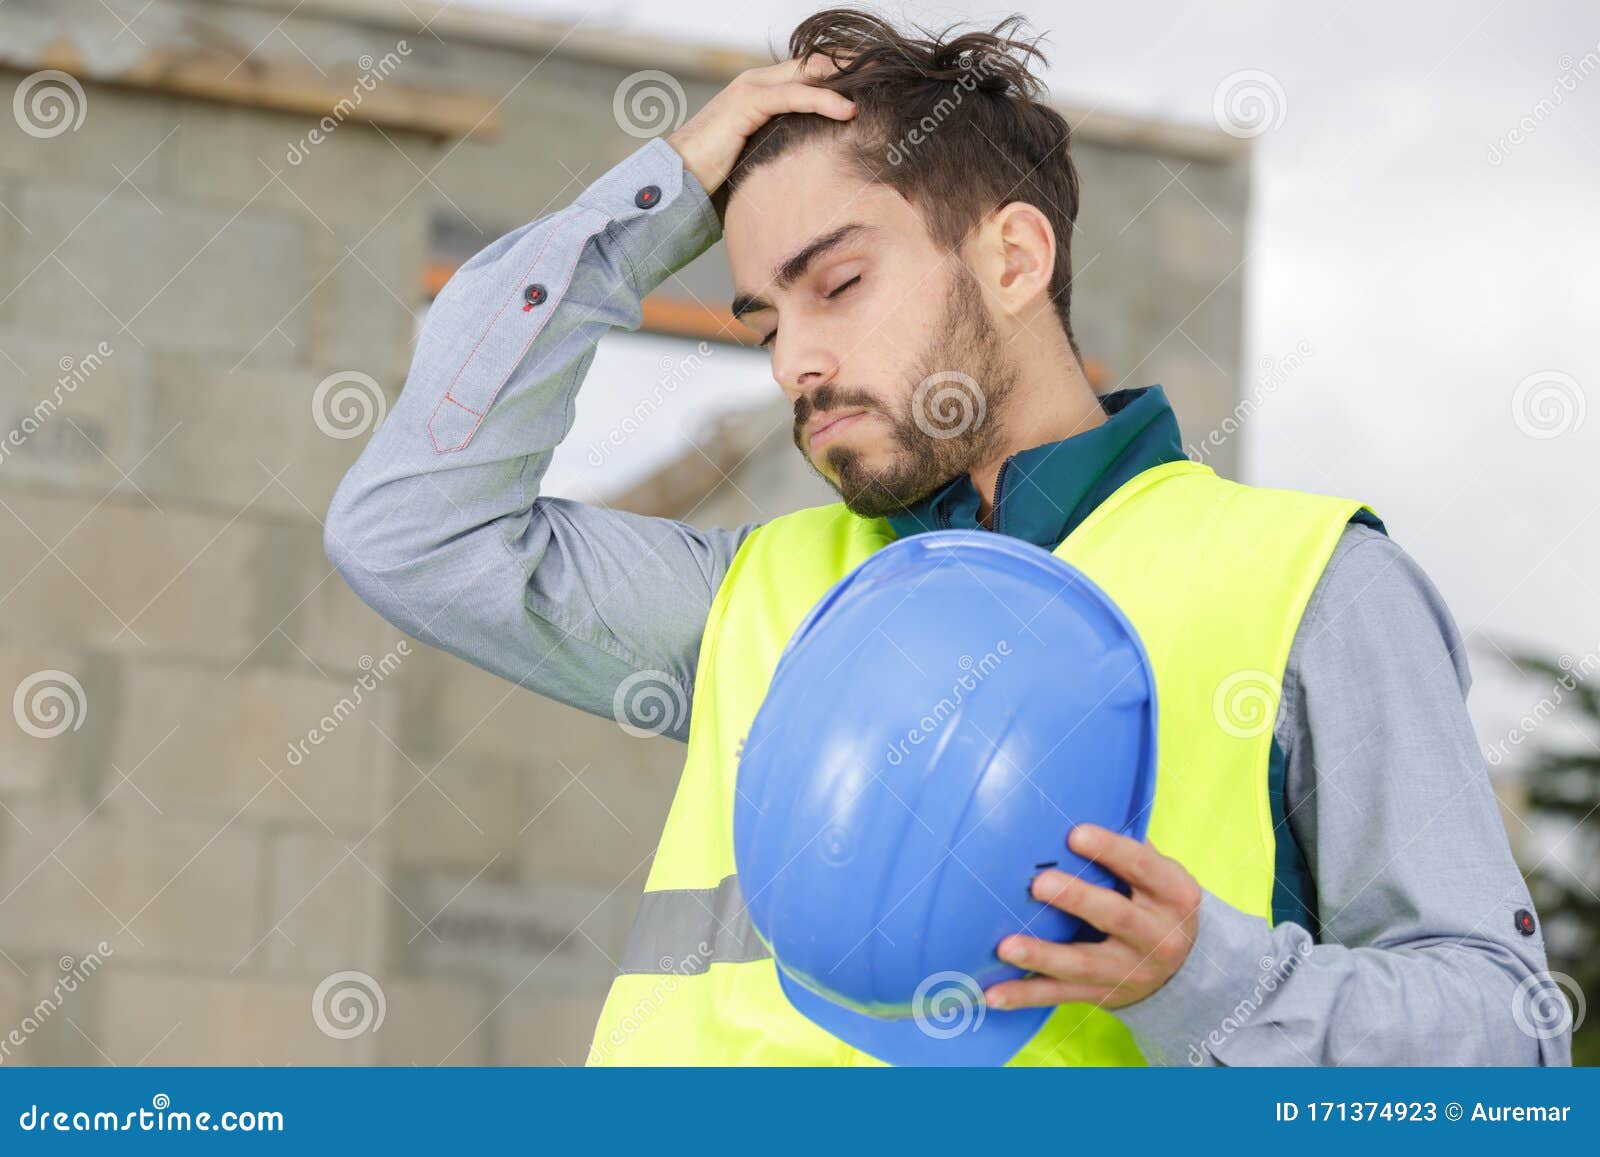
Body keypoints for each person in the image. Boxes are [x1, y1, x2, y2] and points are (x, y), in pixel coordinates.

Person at [325, 8, 1569, 1066]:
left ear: (1015, 258)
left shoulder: (1313, 588)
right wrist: (652, 203)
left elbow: (1513, 1041)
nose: (796, 358)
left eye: (840, 283)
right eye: (763, 320)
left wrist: (1208, 975)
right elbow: (408, 528)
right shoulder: (754, 596)